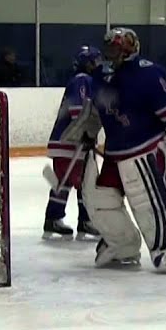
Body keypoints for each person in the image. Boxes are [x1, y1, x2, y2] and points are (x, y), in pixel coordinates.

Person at [83, 27, 166, 271]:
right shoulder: (100, 76)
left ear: (129, 50)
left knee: (147, 203)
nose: (109, 54)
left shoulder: (150, 74)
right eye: (108, 48)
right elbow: (96, 112)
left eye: (115, 49)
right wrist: (87, 133)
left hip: (145, 153)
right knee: (100, 199)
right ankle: (122, 244)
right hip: (115, 152)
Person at [44, 46, 101, 242]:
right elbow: (79, 108)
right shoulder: (82, 80)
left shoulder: (84, 80)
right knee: (83, 182)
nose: (99, 64)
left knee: (66, 181)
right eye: (95, 61)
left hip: (67, 142)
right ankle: (84, 221)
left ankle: (54, 218)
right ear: (88, 63)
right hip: (71, 141)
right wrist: (86, 132)